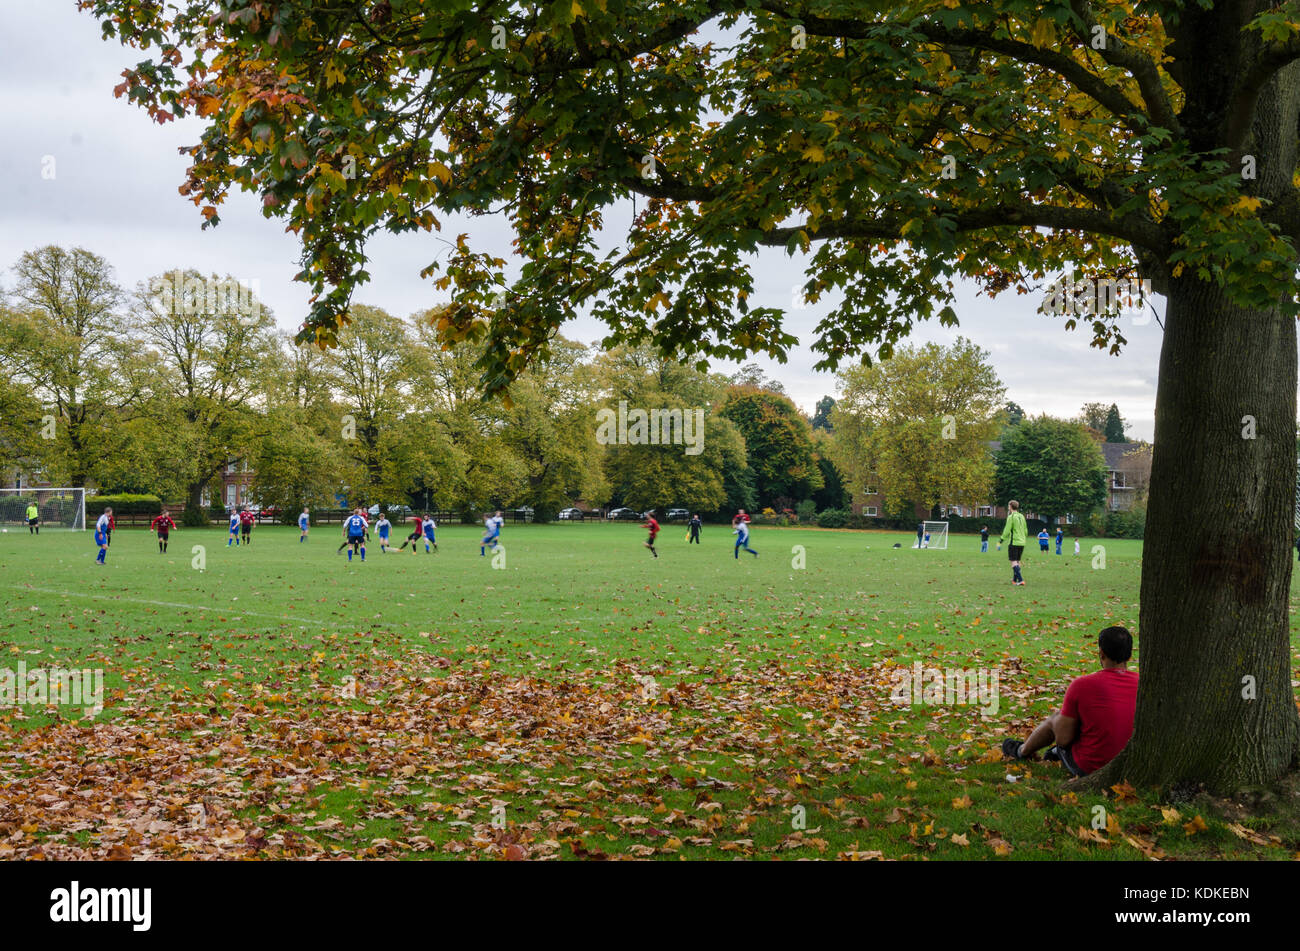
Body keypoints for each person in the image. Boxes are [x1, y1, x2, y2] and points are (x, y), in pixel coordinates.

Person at [1002, 626, 1138, 777]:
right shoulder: (1143, 684)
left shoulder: (1082, 685)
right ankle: (1047, 752)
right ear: (1129, 654)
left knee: (1057, 718)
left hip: (1090, 766)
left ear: (1101, 653)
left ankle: (1021, 751)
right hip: (1133, 764)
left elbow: (1063, 739)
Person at [1000, 500, 1028, 586]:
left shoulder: (1011, 517)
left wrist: (1001, 540)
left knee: (1013, 561)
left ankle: (1021, 580)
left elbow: (1007, 530)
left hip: (1014, 542)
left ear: (1010, 507)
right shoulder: (1022, 516)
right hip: (1022, 542)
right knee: (1017, 561)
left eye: (1008, 506)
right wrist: (1023, 538)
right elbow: (1025, 530)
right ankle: (1014, 580)